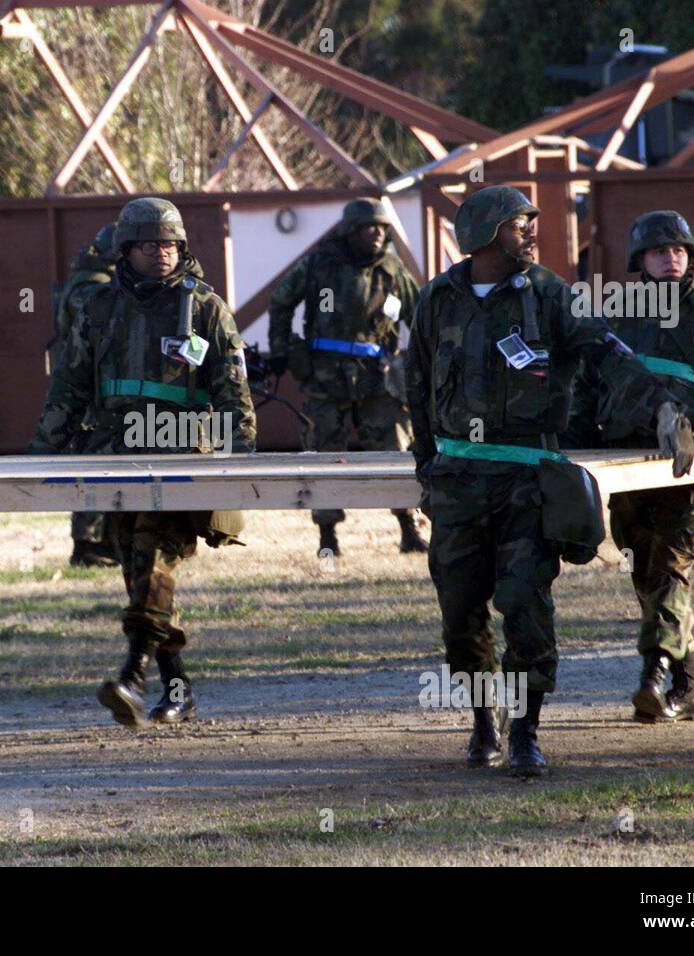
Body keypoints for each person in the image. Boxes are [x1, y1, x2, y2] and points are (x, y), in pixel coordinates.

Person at [403, 185, 694, 776]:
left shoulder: (551, 295)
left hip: (527, 481)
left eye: (531, 224)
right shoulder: (437, 299)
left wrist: (663, 407)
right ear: (483, 235)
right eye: (518, 226)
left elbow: (607, 354)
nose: (531, 234)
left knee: (526, 608)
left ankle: (528, 731)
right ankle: (485, 721)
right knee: (460, 614)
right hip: (458, 481)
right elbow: (417, 384)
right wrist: (427, 467)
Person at [29, 197, 255, 727]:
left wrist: (238, 466)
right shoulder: (99, 309)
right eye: (150, 244)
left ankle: (132, 677)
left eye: (171, 244)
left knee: (153, 560)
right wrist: (38, 458)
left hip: (181, 463)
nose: (162, 253)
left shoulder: (205, 308)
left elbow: (234, 395)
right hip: (114, 463)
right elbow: (69, 386)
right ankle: (178, 688)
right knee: (139, 574)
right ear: (126, 250)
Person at [563, 211, 694, 722]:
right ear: (639, 260)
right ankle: (689, 686)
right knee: (648, 577)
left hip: (689, 471)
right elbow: (586, 388)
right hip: (626, 468)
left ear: (691, 258)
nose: (671, 258)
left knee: (670, 568)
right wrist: (573, 458)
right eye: (659, 250)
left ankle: (652, 673)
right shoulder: (618, 316)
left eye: (679, 250)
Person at [269, 197, 429, 556]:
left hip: (380, 380)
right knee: (324, 458)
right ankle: (327, 538)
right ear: (350, 230)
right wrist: (280, 348)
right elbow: (281, 301)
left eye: (382, 227)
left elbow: (421, 319)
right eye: (368, 226)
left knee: (397, 454)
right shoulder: (318, 265)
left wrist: (421, 364)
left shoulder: (392, 270)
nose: (376, 233)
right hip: (325, 379)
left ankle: (410, 529)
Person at [49, 224, 120, 568]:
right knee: (93, 466)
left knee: (106, 465)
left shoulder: (95, 282)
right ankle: (88, 545)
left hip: (100, 390)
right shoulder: (88, 287)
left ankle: (104, 540)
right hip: (89, 394)